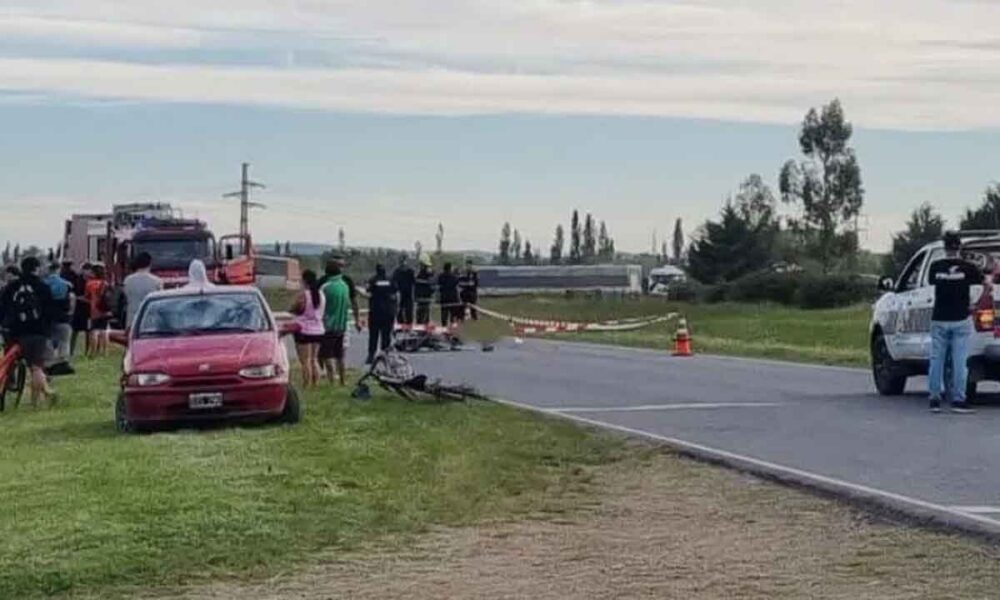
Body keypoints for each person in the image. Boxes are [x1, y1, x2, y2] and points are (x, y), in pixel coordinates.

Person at [927, 232, 985, 414]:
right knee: (960, 361)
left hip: (939, 318)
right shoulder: (968, 268)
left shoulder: (935, 266)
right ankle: (959, 400)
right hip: (960, 318)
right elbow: (983, 283)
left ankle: (934, 399)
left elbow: (931, 282)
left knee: (936, 359)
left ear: (944, 247)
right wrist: (974, 304)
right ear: (959, 247)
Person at [0, 256, 57, 406]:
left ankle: (8, 383)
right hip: (37, 332)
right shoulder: (42, 287)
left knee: (8, 362)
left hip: (14, 333)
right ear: (36, 268)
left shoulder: (11, 287)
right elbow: (50, 311)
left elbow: (3, 308)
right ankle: (35, 403)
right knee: (36, 367)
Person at [319, 260, 353, 386]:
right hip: (342, 325)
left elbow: (320, 307)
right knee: (340, 356)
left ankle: (332, 380)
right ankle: (343, 381)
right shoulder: (345, 286)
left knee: (327, 355)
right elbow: (348, 304)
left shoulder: (325, 287)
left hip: (328, 326)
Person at [291, 270, 325, 388]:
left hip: (303, 330)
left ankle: (306, 384)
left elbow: (294, 308)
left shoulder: (303, 295)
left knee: (305, 361)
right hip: (319, 330)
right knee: (314, 359)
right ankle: (316, 384)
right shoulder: (321, 294)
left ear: (304, 280)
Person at [43, 262, 75, 368]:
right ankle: (62, 361)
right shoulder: (67, 284)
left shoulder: (43, 284)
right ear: (58, 270)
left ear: (49, 270)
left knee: (49, 340)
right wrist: (70, 312)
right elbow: (71, 300)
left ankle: (49, 361)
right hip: (63, 317)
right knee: (64, 341)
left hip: (47, 317)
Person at [366, 264, 398, 364]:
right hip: (388, 312)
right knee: (386, 335)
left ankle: (371, 355)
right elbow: (395, 291)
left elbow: (368, 291)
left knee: (373, 335)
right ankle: (385, 355)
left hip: (375, 311)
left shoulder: (373, 280)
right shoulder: (390, 280)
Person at [123, 252, 163, 330]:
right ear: (150, 263)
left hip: (132, 319)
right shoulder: (157, 281)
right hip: (151, 321)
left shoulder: (127, 280)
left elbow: (126, 297)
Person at [84, 263, 112, 358]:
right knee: (104, 331)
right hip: (106, 310)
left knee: (94, 331)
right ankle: (105, 353)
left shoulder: (90, 284)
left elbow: (87, 297)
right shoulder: (106, 283)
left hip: (95, 310)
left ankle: (93, 352)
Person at [68, 262, 91, 356]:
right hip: (79, 307)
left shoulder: (91, 280)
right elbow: (74, 292)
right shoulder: (78, 279)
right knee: (75, 331)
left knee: (88, 331)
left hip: (88, 308)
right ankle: (71, 351)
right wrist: (79, 298)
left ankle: (87, 351)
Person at [392, 254, 416, 325]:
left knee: (409, 310)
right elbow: (393, 281)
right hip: (400, 293)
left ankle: (409, 323)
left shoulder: (410, 271)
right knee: (399, 309)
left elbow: (414, 282)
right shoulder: (397, 271)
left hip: (408, 293)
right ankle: (400, 323)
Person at [437, 262, 461, 327]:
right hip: (453, 298)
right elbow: (457, 283)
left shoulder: (440, 276)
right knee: (452, 315)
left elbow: (439, 285)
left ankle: (444, 327)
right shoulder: (454, 277)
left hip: (444, 297)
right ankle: (452, 328)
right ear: (450, 268)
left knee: (444, 315)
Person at [414, 257, 435, 325]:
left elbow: (432, 285)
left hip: (424, 297)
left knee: (423, 313)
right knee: (422, 312)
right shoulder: (426, 274)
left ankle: (422, 326)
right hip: (423, 297)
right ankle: (422, 325)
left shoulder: (423, 274)